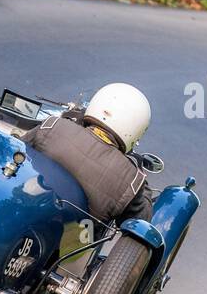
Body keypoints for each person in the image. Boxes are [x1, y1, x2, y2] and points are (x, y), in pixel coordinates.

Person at [23, 83, 155, 223]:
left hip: (25, 207)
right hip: (70, 240)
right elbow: (141, 223)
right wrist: (140, 179)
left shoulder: (53, 125)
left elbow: (14, 151)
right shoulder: (131, 179)